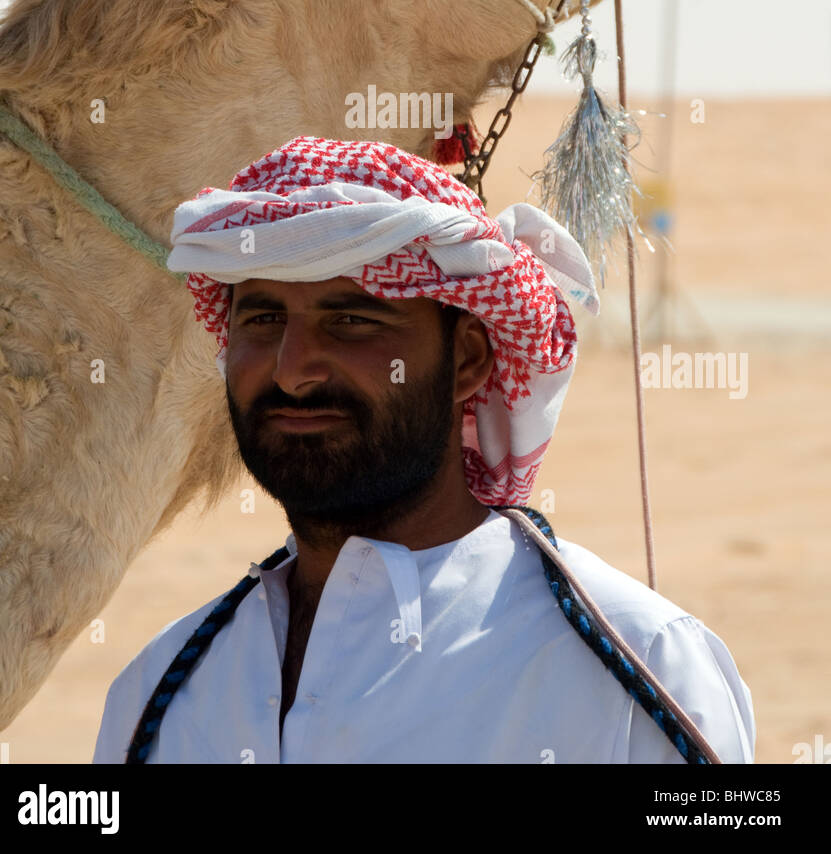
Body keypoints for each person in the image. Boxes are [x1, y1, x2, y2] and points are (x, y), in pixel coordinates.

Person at [92, 135, 755, 764]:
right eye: (262, 320)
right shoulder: (162, 691)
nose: (293, 369)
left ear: (466, 359)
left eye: (351, 320)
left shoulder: (637, 665)